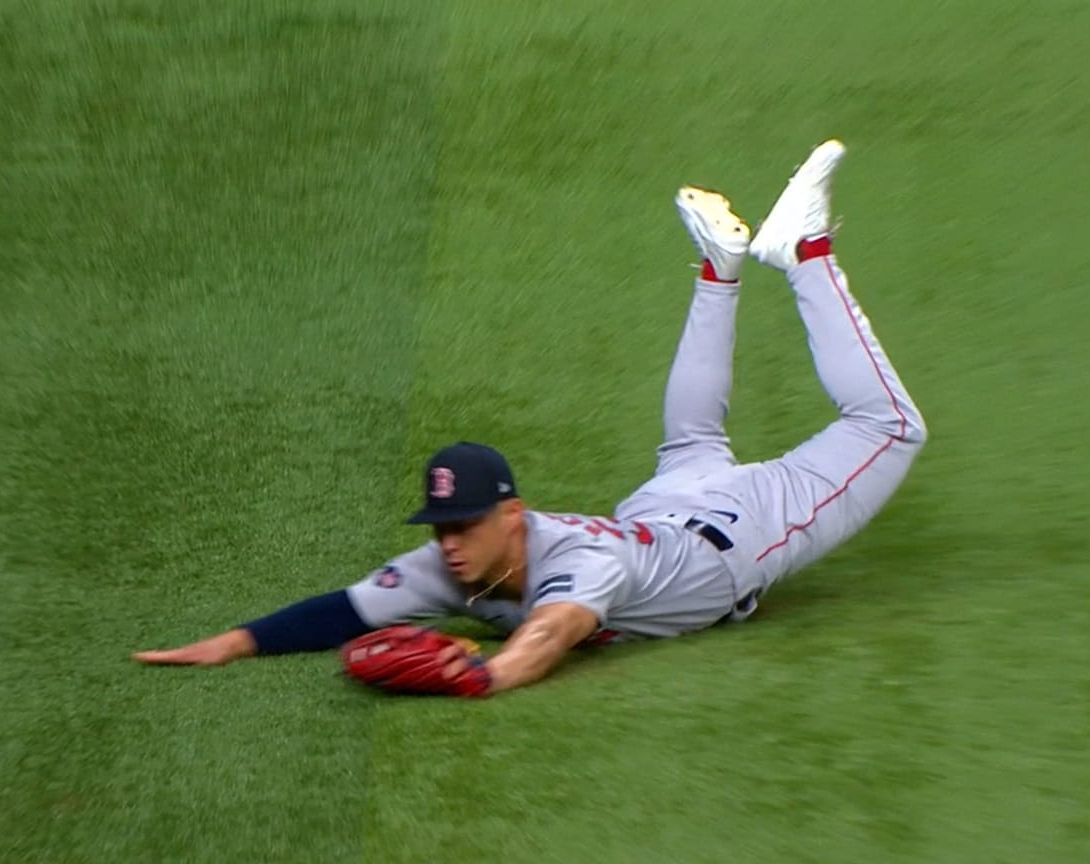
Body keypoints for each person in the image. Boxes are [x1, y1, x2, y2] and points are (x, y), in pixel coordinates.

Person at [133, 139, 928, 695]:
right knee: (690, 443)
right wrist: (233, 642)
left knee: (889, 428)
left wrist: (483, 675)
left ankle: (804, 252)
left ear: (511, 516)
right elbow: (346, 609)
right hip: (667, 508)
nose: (447, 541)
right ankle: (717, 268)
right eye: (441, 525)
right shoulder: (454, 566)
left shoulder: (579, 567)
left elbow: (550, 636)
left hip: (737, 533)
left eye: (465, 524)